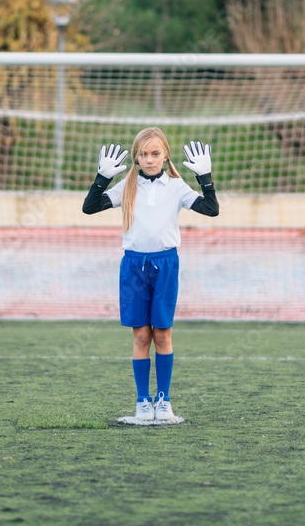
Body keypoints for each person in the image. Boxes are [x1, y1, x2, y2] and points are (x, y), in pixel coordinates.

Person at [82, 127, 219, 421]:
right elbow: (89, 207)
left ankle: (164, 400)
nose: (149, 159)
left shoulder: (176, 187)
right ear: (136, 158)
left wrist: (205, 178)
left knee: (163, 334)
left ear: (165, 155)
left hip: (166, 265)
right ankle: (143, 401)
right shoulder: (127, 187)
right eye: (143, 154)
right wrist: (103, 178)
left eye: (155, 153)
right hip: (133, 267)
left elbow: (211, 209)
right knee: (142, 335)